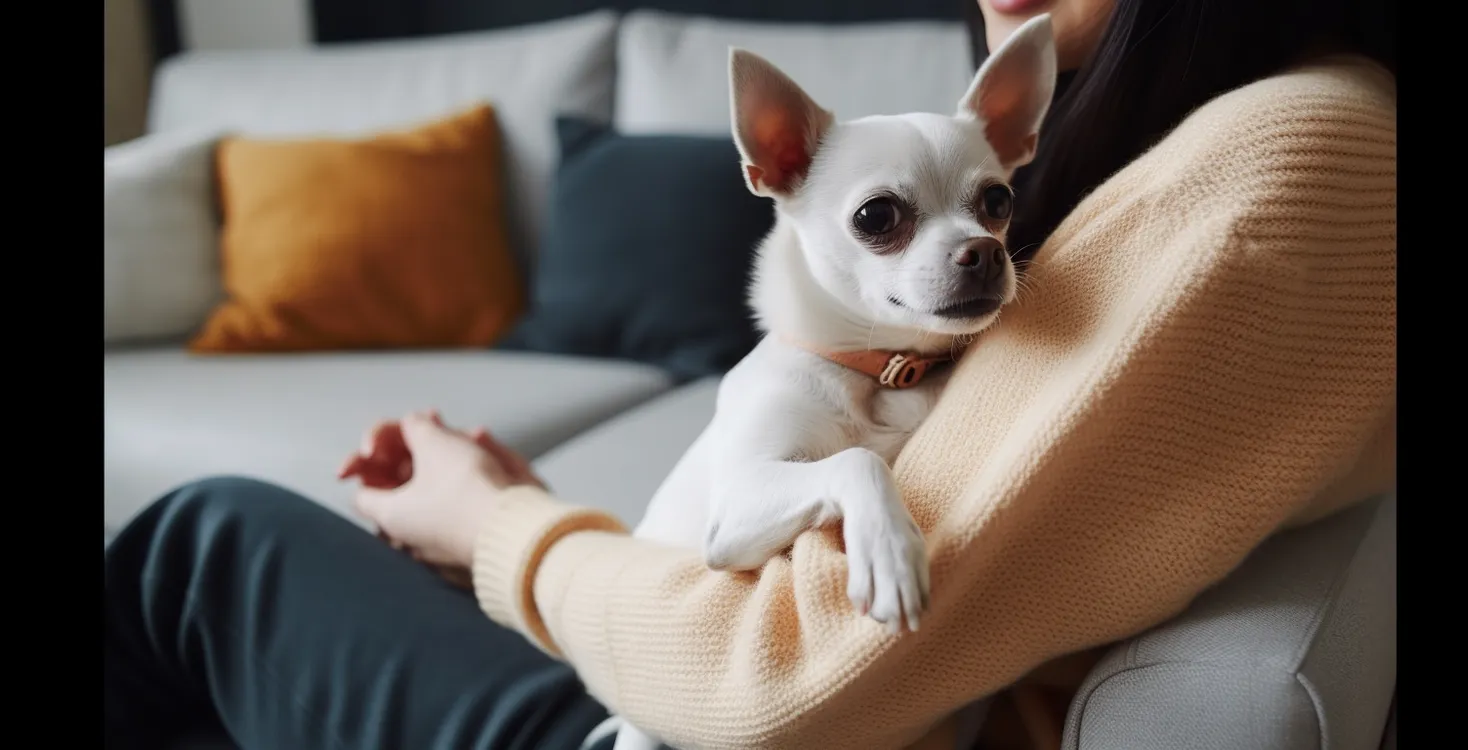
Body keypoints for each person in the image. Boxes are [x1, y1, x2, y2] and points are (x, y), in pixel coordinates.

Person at [103, 0, 1397, 748]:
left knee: (206, 541)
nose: (971, 245)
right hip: (686, 663)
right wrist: (551, 531)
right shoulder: (1256, 136)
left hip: (677, 726)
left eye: (989, 208)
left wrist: (500, 531)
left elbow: (790, 671)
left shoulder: (1265, 178)